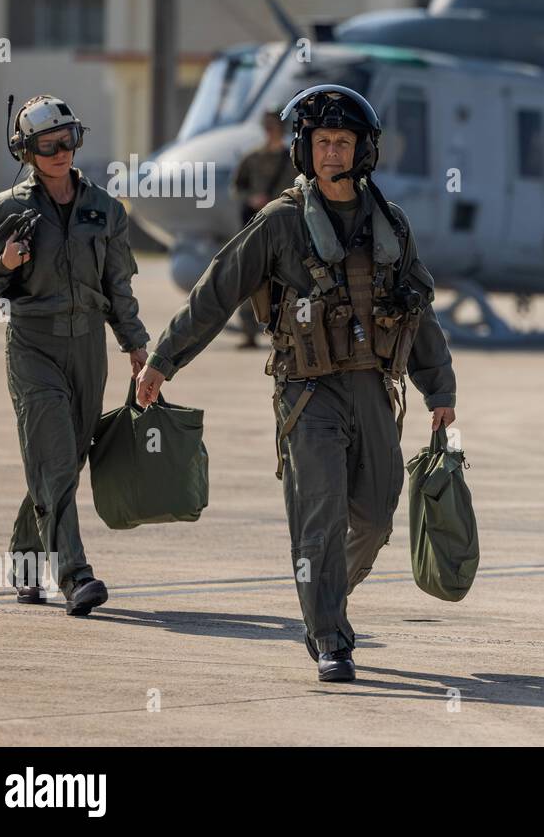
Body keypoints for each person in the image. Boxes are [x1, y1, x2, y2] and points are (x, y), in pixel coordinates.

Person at [133, 85, 457, 682]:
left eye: (343, 141)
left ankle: (325, 592)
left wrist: (440, 391)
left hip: (374, 390)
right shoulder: (280, 223)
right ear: (305, 150)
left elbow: (419, 309)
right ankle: (329, 633)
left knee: (378, 518)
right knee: (321, 515)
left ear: (363, 150)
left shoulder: (390, 224)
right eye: (322, 142)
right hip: (307, 394)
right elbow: (216, 292)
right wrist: (163, 361)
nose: (333, 152)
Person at [0, 94, 149, 614]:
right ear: (25, 151)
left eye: (66, 143)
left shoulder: (105, 209)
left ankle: (25, 562)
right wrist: (2, 264)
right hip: (32, 344)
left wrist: (136, 344)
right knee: (54, 457)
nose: (60, 153)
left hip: (88, 345)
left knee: (61, 463)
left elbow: (119, 286)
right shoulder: (3, 209)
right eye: (47, 147)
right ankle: (75, 574)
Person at [229, 109, 291, 348]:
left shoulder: (293, 160)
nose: (270, 130)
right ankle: (249, 331)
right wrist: (252, 198)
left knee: (286, 280)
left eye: (274, 125)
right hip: (256, 227)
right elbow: (236, 188)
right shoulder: (252, 158)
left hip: (285, 228)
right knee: (250, 277)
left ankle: (284, 331)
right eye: (267, 125)